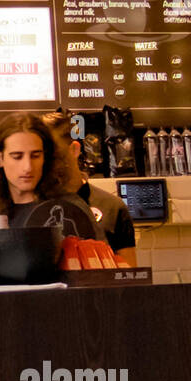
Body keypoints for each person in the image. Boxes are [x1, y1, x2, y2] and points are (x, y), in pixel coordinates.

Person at [41, 110, 139, 266]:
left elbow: (129, 276)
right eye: (41, 155)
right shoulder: (34, 207)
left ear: (74, 150)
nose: (48, 162)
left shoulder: (113, 208)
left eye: (55, 154)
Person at [0, 112, 97, 230]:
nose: (28, 167)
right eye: (17, 156)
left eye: (35, 156)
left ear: (46, 157)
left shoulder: (71, 208)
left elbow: (96, 250)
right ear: (0, 158)